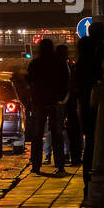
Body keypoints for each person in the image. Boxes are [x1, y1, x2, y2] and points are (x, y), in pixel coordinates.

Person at [26, 37, 70, 176]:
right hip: (55, 102)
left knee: (37, 135)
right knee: (57, 134)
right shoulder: (60, 63)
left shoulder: (36, 63)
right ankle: (60, 165)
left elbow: (29, 80)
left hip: (39, 101)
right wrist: (61, 98)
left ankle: (36, 165)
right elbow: (66, 81)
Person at [74, 23, 104, 190]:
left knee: (91, 142)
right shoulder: (98, 55)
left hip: (85, 105)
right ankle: (94, 178)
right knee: (97, 141)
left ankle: (88, 179)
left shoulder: (81, 59)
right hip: (98, 104)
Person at [57, 43, 83, 165]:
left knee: (61, 132)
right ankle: (72, 157)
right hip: (66, 102)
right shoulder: (66, 66)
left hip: (64, 102)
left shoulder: (66, 66)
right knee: (72, 132)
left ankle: (64, 159)